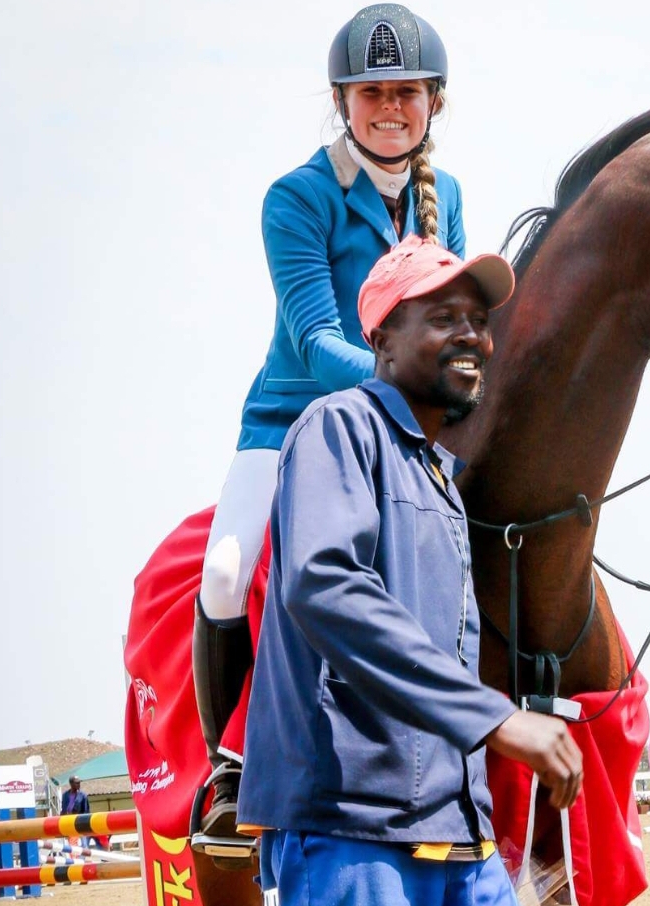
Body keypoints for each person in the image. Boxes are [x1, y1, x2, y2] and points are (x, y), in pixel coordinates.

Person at [237, 235, 581, 906]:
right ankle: (217, 761)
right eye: (443, 318)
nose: (472, 335)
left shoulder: (435, 471)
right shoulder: (337, 427)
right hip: (353, 827)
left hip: (456, 833)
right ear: (384, 339)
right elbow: (322, 584)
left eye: (478, 319)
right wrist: (495, 717)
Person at [191, 4, 466, 852]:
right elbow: (316, 344)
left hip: (403, 420)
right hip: (290, 418)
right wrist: (416, 382)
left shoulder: (444, 196)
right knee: (228, 571)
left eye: (407, 93)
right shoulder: (297, 197)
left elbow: (454, 314)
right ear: (343, 100)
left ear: (433, 103)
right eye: (372, 92)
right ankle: (226, 761)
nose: (391, 108)